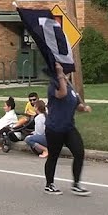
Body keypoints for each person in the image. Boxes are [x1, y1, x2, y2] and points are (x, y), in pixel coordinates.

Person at [42, 64, 91, 196]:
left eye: (67, 72)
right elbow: (61, 94)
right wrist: (59, 75)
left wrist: (83, 108)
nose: (67, 74)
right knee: (53, 157)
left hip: (69, 127)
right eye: (66, 72)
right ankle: (49, 184)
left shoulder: (71, 89)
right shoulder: (53, 86)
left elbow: (76, 105)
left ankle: (76, 184)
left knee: (79, 152)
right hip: (54, 128)